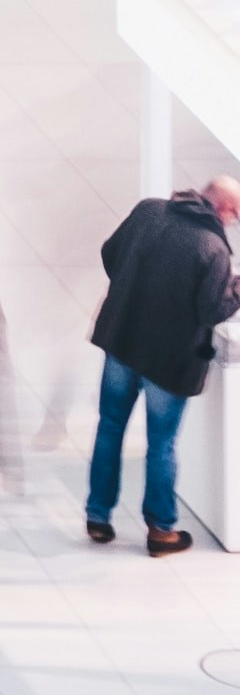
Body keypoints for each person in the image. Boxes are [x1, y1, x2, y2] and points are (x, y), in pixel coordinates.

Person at [83, 169, 237, 550]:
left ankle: (98, 517)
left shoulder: (149, 211)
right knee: (161, 444)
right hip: (168, 362)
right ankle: (160, 528)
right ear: (224, 208)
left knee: (110, 427)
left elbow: (109, 252)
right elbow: (212, 310)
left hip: (122, 342)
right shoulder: (213, 249)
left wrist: (129, 290)